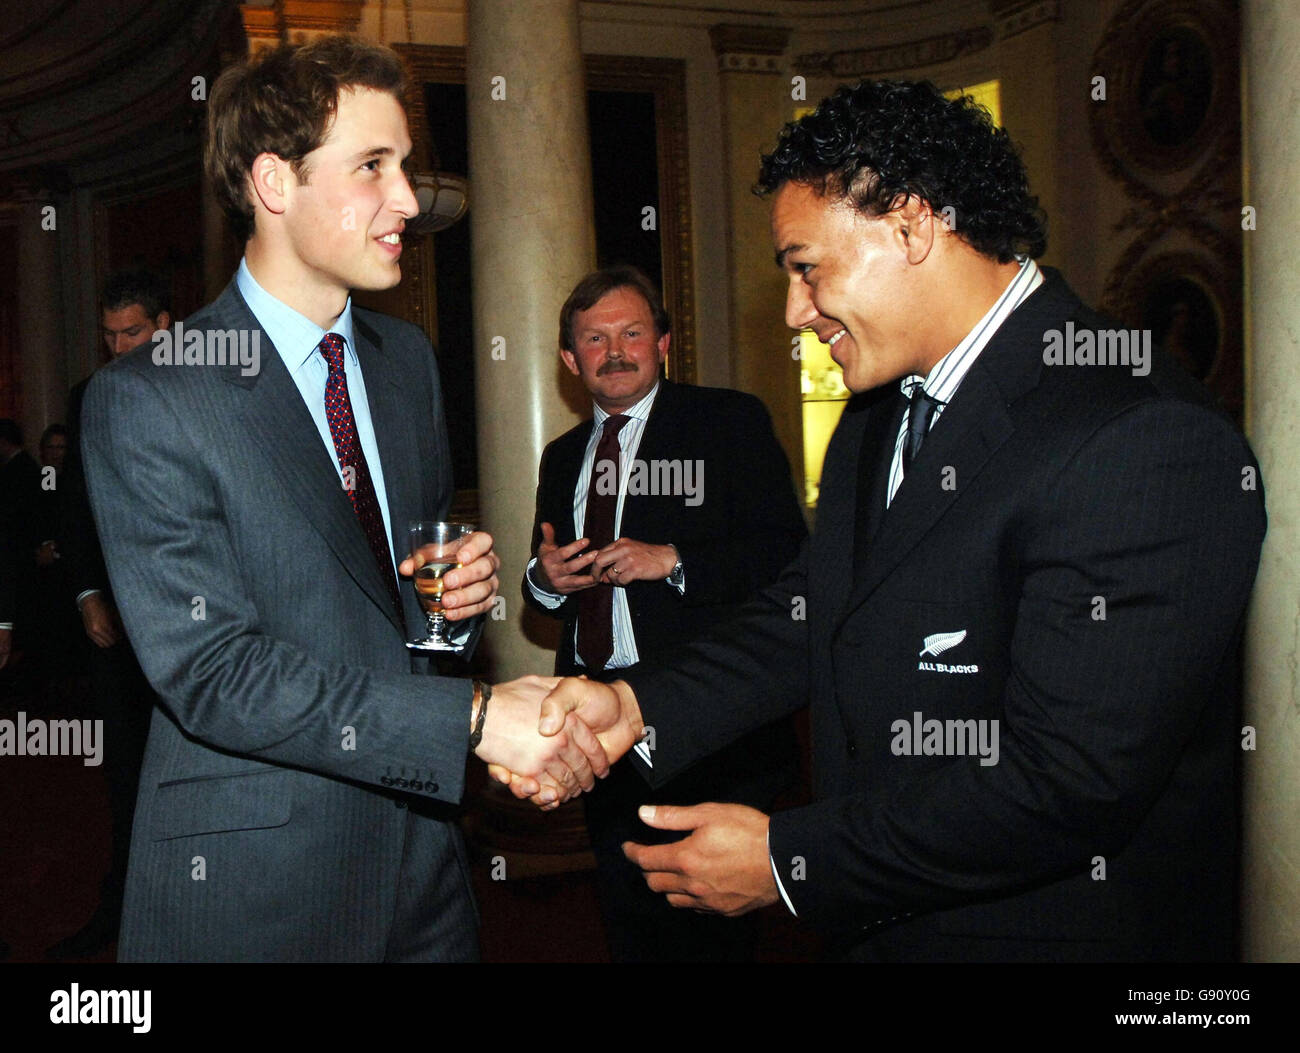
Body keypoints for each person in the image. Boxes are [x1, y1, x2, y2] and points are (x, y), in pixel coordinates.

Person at [527, 80, 1267, 962]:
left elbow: (1070, 782)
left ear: (912, 225)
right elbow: (810, 611)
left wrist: (788, 860)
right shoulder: (881, 408)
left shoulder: (1140, 430)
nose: (796, 312)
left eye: (806, 268)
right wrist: (632, 704)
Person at [80, 35, 603, 963]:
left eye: (403, 165)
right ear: (274, 183)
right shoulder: (151, 395)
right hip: (260, 889)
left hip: (428, 862)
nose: (407, 197)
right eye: (373, 166)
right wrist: (476, 720)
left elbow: (395, 602)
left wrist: (452, 594)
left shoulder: (404, 366)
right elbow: (212, 672)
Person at [524, 266, 805, 961]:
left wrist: (673, 559)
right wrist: (545, 578)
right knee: (627, 917)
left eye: (631, 333)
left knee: (710, 932)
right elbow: (543, 588)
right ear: (570, 359)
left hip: (705, 726)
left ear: (665, 343)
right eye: (594, 338)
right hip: (597, 733)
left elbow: (788, 557)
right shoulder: (562, 458)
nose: (614, 351)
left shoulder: (726, 421)